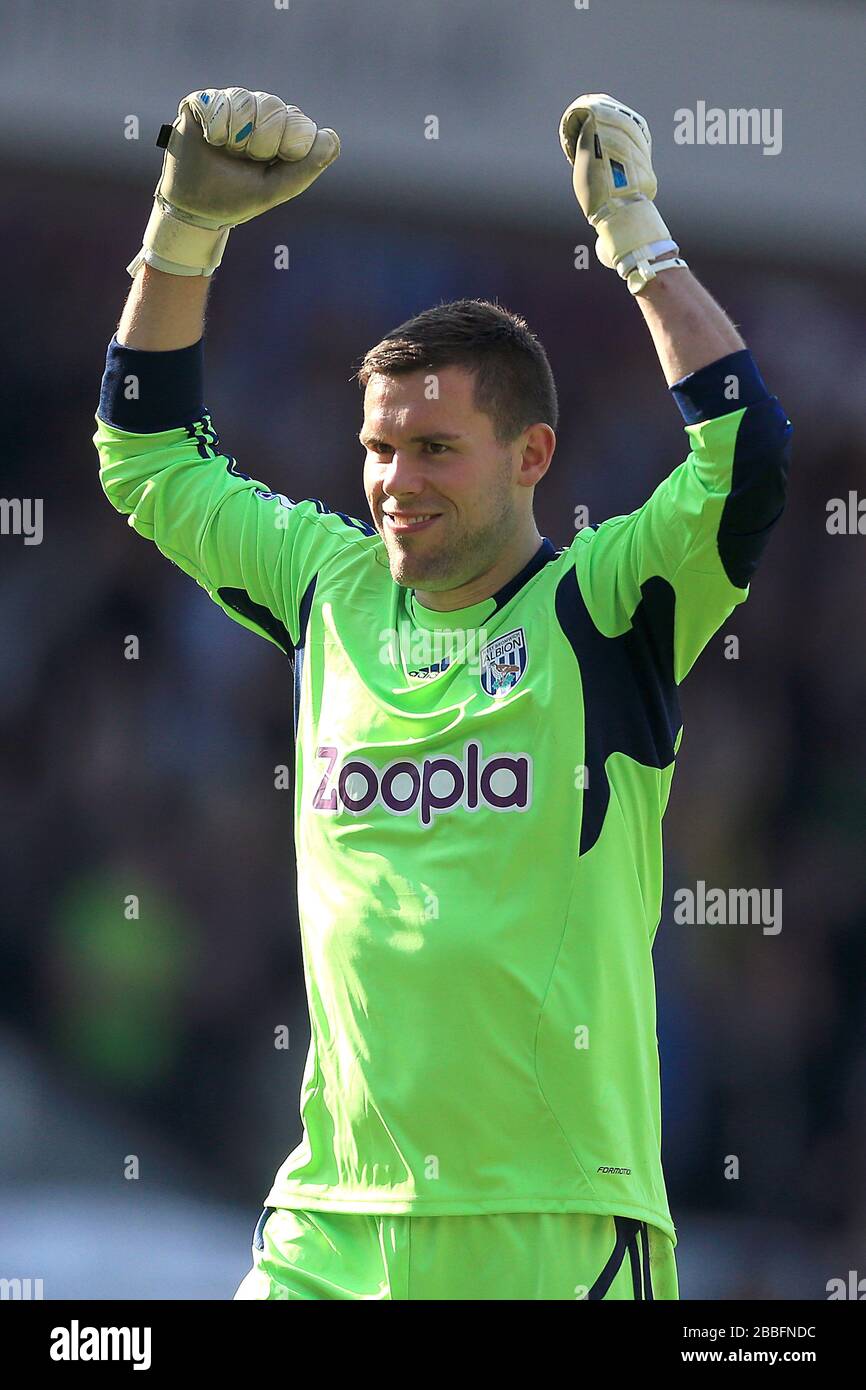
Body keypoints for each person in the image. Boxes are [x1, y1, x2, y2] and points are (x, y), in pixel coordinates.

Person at [94, 87, 791, 1300]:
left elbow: (746, 459)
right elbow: (145, 457)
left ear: (530, 457)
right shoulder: (329, 585)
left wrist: (638, 242)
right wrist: (182, 227)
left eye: (432, 449)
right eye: (376, 447)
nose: (392, 481)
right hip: (332, 1221)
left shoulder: (605, 606)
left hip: (552, 1226)